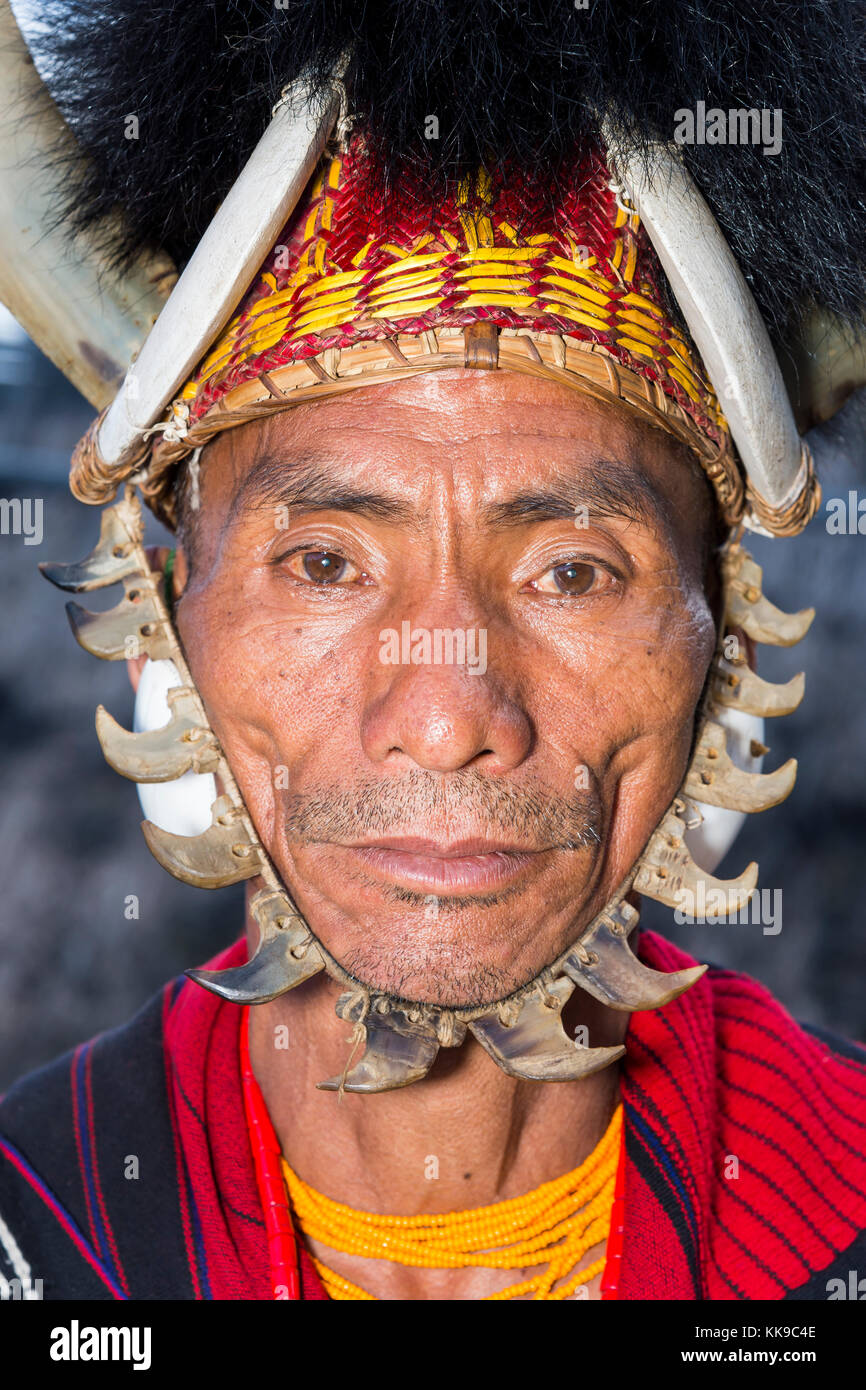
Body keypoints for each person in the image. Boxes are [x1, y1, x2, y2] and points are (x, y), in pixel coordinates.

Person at [0, 1, 864, 1302]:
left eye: (571, 571)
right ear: (167, 606)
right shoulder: (43, 1221)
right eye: (326, 562)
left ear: (726, 630)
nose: (448, 711)